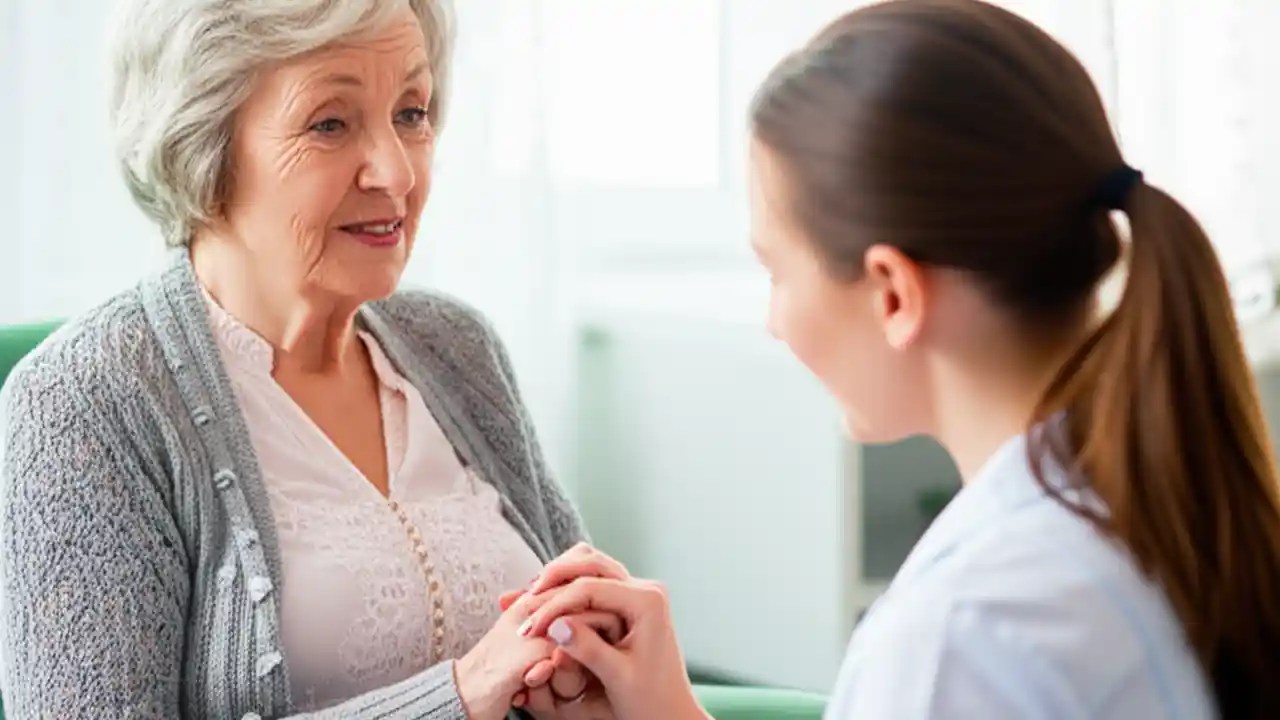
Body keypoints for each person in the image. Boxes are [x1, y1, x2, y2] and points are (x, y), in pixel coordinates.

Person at [514, 0, 1280, 718]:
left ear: (892, 293)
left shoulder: (963, 633)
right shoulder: (1163, 514)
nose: (775, 323)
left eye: (777, 272)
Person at [0, 1, 605, 717]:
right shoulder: (81, 405)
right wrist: (459, 696)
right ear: (204, 144)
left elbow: (584, 645)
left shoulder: (456, 346)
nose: (396, 172)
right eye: (330, 123)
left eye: (411, 113)